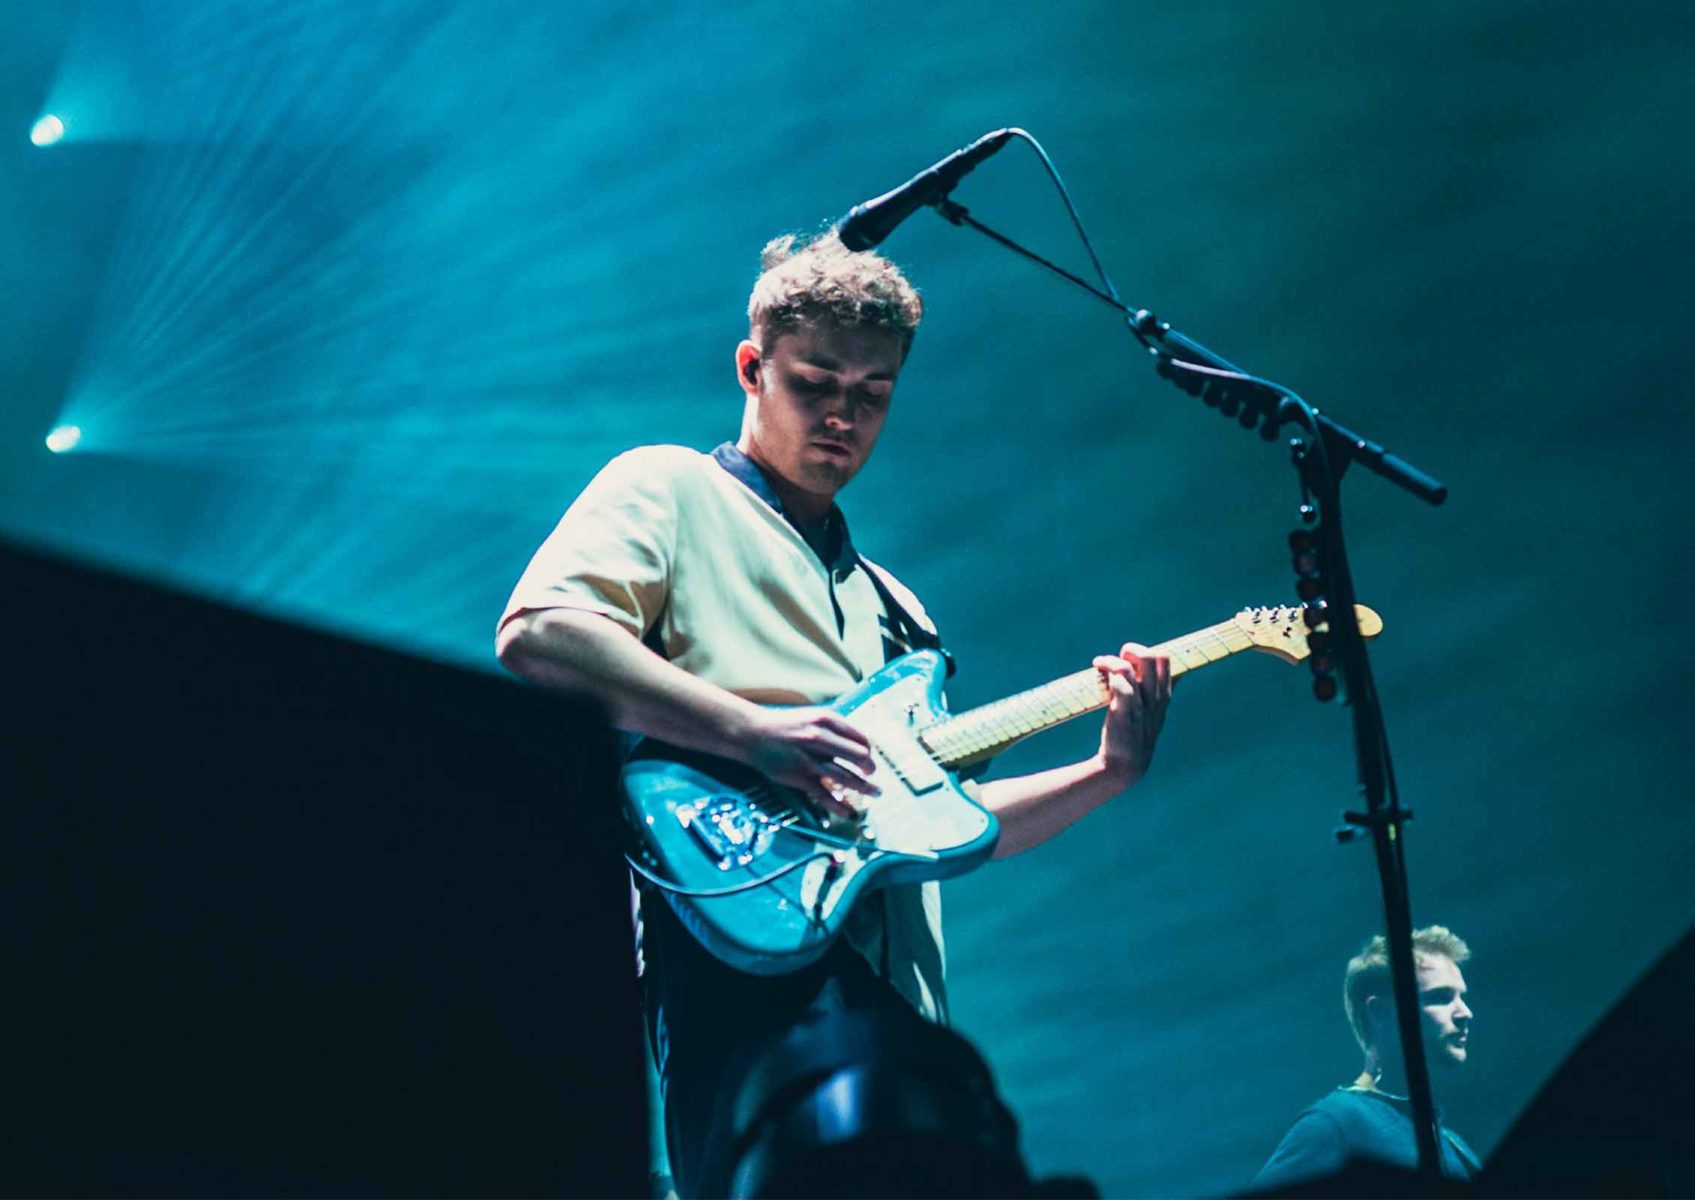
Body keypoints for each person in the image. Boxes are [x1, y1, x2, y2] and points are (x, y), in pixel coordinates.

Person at [494, 231, 1173, 1196]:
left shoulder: (904, 613)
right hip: (738, 960)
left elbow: (954, 828)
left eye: (873, 395)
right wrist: (751, 732)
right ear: (751, 367)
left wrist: (1107, 774)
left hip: (905, 1022)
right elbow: (539, 632)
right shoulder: (668, 487)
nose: (841, 417)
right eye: (815, 383)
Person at [1255, 926, 1483, 1190]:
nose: (1465, 1012)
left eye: (1461, 997)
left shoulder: (1451, 1143)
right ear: (1381, 1012)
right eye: (1440, 998)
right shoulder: (1336, 1124)